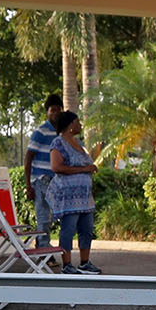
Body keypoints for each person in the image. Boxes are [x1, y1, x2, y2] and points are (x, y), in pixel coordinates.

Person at [46, 111, 101, 275]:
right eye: (77, 122)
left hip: (84, 198)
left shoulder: (78, 143)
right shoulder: (58, 143)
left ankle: (85, 262)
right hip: (68, 197)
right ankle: (67, 263)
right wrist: (84, 169)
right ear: (70, 125)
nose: (80, 125)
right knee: (68, 229)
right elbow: (56, 167)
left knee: (87, 229)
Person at [23, 93, 63, 246]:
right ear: (47, 112)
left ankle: (42, 246)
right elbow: (28, 157)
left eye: (58, 109)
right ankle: (43, 252)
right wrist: (28, 185)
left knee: (51, 218)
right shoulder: (41, 131)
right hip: (41, 180)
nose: (55, 113)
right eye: (52, 110)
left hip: (55, 181)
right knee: (43, 216)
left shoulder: (61, 132)